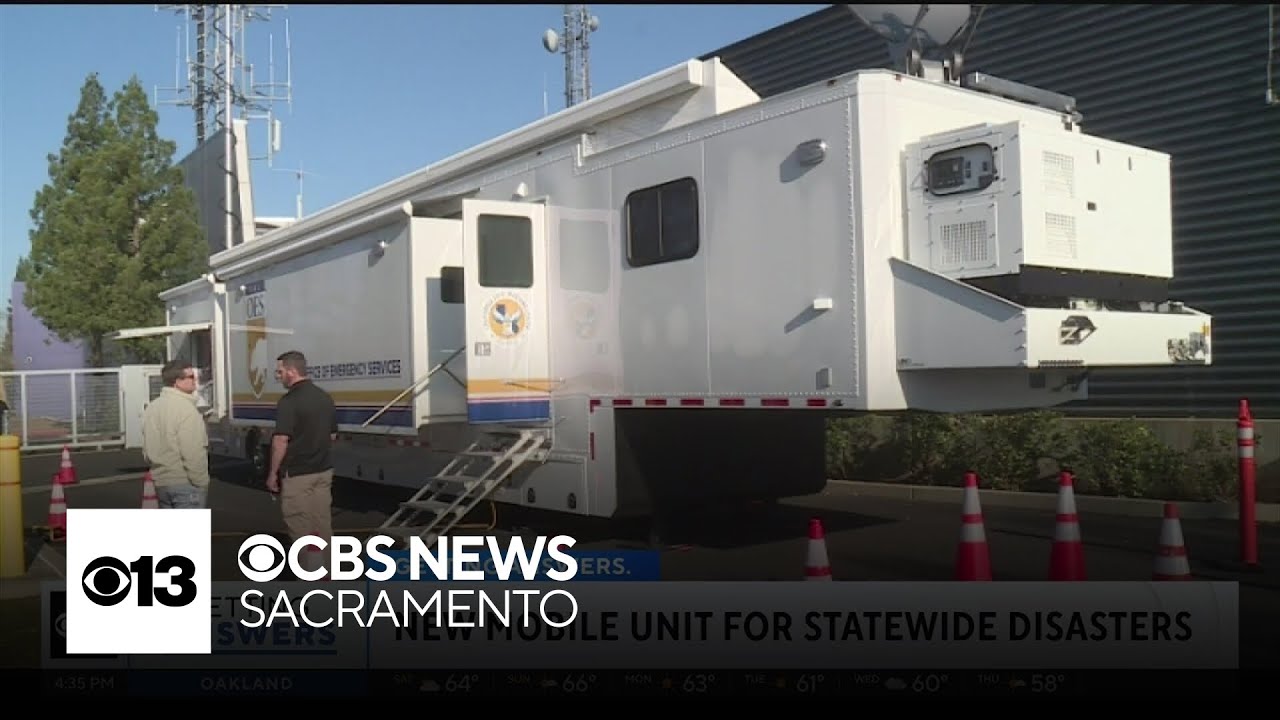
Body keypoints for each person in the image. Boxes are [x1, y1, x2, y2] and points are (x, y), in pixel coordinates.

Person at [266, 350, 337, 575]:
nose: (278, 377)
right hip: (323, 471)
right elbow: (332, 435)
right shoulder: (324, 397)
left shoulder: (289, 402)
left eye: (280, 372)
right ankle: (327, 575)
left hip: (298, 474)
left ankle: (309, 582)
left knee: (300, 529)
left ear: (291, 371)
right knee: (322, 526)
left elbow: (280, 440)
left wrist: (272, 473)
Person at [140, 360, 210, 508]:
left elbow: (147, 450)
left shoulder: (152, 408)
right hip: (185, 484)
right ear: (177, 382)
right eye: (191, 377)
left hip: (161, 484)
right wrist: (201, 482)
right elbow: (192, 452)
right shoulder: (187, 410)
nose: (195, 380)